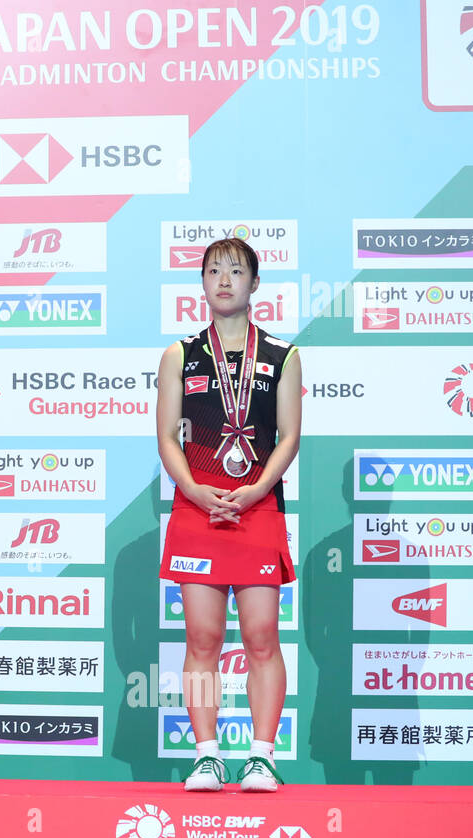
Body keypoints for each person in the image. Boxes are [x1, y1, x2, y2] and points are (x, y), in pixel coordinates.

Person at [155, 237, 301, 792]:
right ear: (201, 283)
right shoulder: (179, 355)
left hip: (257, 506)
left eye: (236, 271)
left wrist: (259, 486)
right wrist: (192, 490)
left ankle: (261, 756)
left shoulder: (283, 355)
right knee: (202, 639)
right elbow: (167, 436)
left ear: (255, 284)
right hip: (198, 508)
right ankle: (207, 756)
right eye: (213, 270)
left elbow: (289, 436)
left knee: (262, 636)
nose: (224, 280)